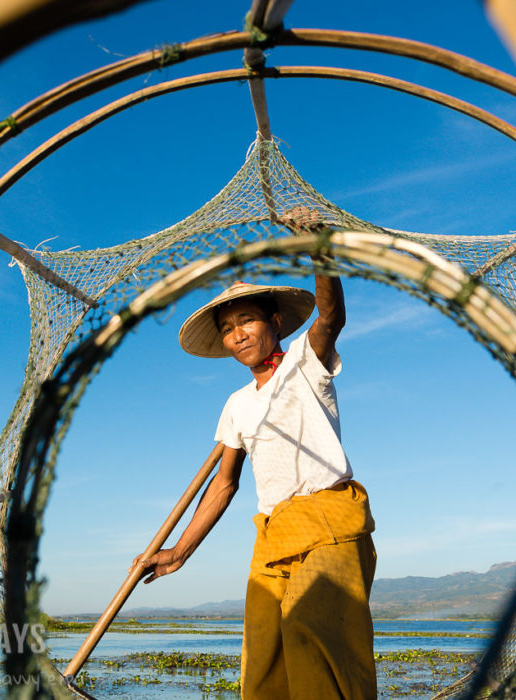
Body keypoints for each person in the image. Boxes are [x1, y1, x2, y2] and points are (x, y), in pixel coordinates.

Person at [134, 212, 377, 699]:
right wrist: (178, 552)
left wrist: (320, 250)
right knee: (264, 657)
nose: (237, 334)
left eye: (246, 320)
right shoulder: (236, 405)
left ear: (274, 321)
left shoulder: (306, 365)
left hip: (329, 522)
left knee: (312, 626)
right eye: (227, 328)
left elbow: (331, 317)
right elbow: (223, 485)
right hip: (271, 535)